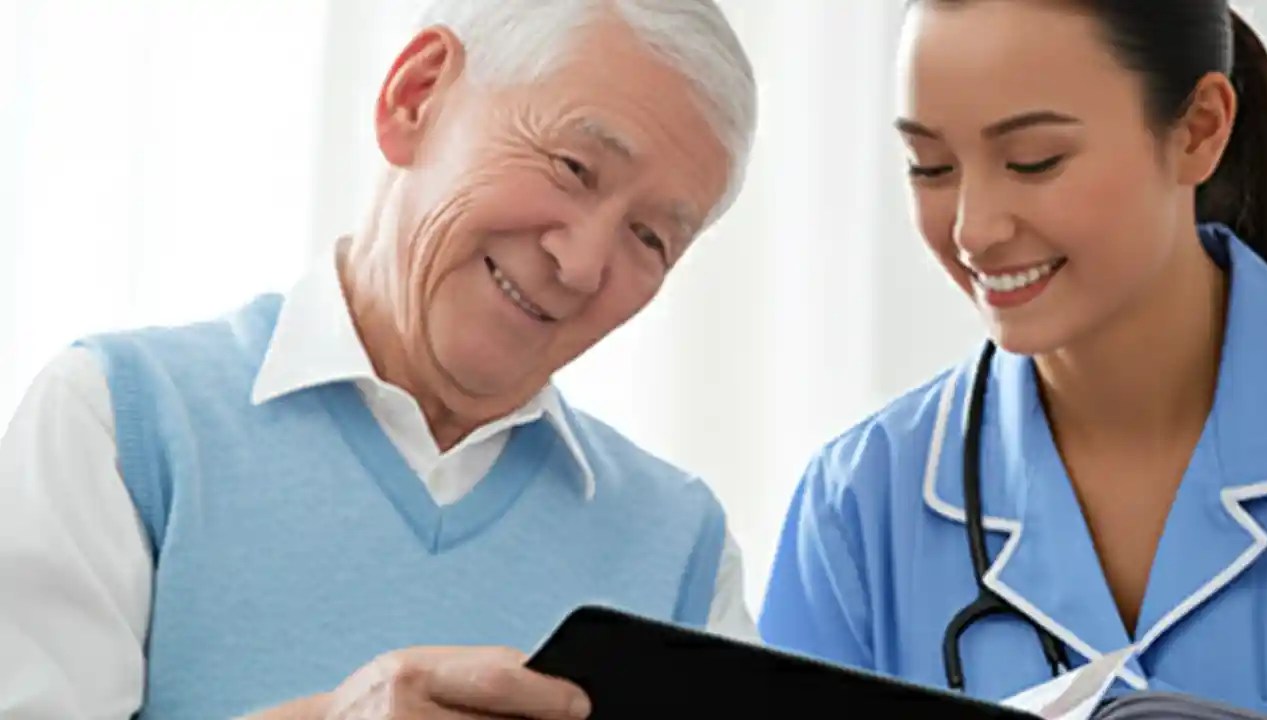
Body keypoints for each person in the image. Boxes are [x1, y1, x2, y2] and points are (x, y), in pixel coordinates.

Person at [0, 1, 758, 718]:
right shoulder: (117, 424)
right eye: (573, 166)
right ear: (416, 98)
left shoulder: (684, 548)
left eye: (651, 238)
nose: (584, 263)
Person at [759, 0, 1267, 714]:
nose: (974, 231)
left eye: (1033, 161)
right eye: (931, 167)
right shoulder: (861, 505)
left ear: (1198, 131)